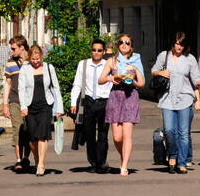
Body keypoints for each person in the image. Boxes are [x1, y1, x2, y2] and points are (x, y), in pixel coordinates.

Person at [151, 32, 200, 173]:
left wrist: (198, 100)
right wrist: (161, 73)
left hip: (185, 98)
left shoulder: (190, 59)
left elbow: (196, 81)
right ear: (173, 43)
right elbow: (153, 70)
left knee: (184, 132)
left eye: (182, 44)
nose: (179, 46)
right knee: (169, 130)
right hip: (167, 98)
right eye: (177, 43)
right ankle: (172, 155)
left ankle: (181, 162)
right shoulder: (164, 56)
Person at [100, 32, 145, 177]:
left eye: (127, 43)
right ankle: (123, 156)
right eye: (121, 42)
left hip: (130, 96)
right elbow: (100, 79)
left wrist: (133, 79)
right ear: (118, 45)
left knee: (127, 135)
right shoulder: (112, 61)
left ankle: (124, 165)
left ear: (131, 47)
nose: (124, 45)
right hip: (115, 97)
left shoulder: (136, 62)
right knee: (116, 137)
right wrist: (110, 78)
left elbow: (142, 83)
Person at [18, 42, 64, 177]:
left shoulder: (49, 68)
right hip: (30, 106)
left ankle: (41, 164)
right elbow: (21, 89)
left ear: (41, 56)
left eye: (37, 59)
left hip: (45, 105)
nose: (36, 62)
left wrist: (59, 107)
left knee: (42, 135)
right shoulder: (25, 69)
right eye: (33, 59)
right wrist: (23, 107)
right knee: (32, 138)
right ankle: (37, 159)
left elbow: (56, 88)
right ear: (29, 58)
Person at [70, 37, 112, 173]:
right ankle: (93, 162)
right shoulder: (83, 64)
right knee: (89, 134)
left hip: (104, 102)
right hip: (88, 102)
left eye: (99, 50)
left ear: (104, 51)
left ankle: (101, 162)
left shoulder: (109, 65)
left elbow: (113, 83)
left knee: (103, 134)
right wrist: (73, 103)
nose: (96, 53)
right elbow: (77, 84)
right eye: (94, 50)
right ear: (91, 51)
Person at [1, 35, 30, 171]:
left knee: (28, 130)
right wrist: (5, 104)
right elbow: (7, 84)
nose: (11, 51)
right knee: (17, 129)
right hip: (15, 100)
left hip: (29, 101)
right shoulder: (10, 63)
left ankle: (26, 157)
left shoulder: (32, 61)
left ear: (22, 47)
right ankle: (19, 160)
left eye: (13, 49)